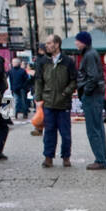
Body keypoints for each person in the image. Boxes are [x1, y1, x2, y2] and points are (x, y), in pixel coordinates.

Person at [34, 33, 76, 168]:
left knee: (65, 133)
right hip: (48, 102)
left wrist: (66, 92)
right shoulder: (43, 62)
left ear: (56, 44)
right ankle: (48, 157)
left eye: (48, 43)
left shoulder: (68, 61)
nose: (46, 46)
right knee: (49, 132)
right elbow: (39, 81)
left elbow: (74, 80)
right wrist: (38, 98)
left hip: (63, 103)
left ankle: (66, 157)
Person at [75, 30, 106, 170]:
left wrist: (86, 92)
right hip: (95, 94)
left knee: (93, 129)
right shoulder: (91, 54)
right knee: (98, 128)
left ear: (83, 42)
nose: (76, 43)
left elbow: (93, 77)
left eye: (77, 40)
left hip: (92, 95)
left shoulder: (88, 55)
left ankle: (100, 159)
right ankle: (102, 158)